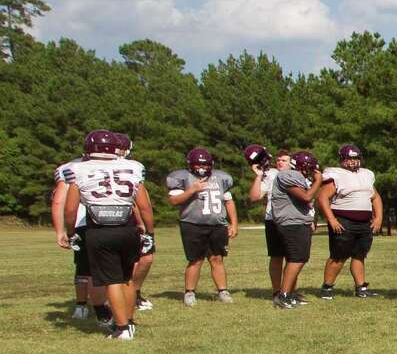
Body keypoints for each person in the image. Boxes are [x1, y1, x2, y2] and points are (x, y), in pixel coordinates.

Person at [62, 130, 155, 340]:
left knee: (111, 280)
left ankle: (122, 328)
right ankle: (129, 321)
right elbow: (145, 206)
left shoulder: (77, 169)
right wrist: (149, 232)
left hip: (99, 230)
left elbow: (70, 209)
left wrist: (70, 232)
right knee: (127, 278)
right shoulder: (133, 167)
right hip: (128, 228)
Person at [165, 148, 238, 306]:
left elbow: (228, 202)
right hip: (193, 224)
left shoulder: (221, 178)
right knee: (196, 260)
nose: (201, 167)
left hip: (217, 224)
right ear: (190, 164)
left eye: (204, 164)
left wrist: (233, 223)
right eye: (198, 164)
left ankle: (223, 291)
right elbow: (174, 201)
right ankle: (189, 292)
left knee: (217, 259)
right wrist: (192, 189)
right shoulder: (183, 177)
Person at [51, 137, 108, 323]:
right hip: (114, 222)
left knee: (85, 267)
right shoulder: (121, 166)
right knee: (112, 268)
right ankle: (109, 308)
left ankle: (82, 306)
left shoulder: (70, 168)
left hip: (81, 223)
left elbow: (59, 201)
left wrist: (61, 231)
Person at [316, 144, 383, 299]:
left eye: (356, 158)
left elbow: (375, 197)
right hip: (343, 220)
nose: (353, 161)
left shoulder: (366, 174)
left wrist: (379, 217)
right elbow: (322, 197)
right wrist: (331, 219)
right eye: (350, 158)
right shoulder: (336, 175)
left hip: (364, 222)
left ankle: (361, 288)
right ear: (342, 159)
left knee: (359, 255)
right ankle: (327, 288)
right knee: (339, 256)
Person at [247, 145, 307, 303]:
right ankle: (276, 292)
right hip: (273, 220)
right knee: (276, 257)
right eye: (278, 160)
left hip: (293, 220)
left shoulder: (297, 175)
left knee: (293, 258)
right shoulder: (271, 175)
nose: (280, 162)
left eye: (284, 160)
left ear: (292, 162)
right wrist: (258, 176)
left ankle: (290, 292)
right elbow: (254, 197)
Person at [270, 151, 322, 308]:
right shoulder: (288, 175)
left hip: (297, 221)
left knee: (297, 258)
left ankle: (289, 293)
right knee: (297, 259)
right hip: (291, 222)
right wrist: (318, 181)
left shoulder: (296, 176)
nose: (311, 171)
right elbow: (306, 197)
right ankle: (283, 295)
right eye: (309, 167)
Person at [113, 133, 155, 312]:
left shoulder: (135, 167)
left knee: (145, 258)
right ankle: (115, 300)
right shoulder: (96, 166)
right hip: (118, 218)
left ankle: (134, 293)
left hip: (130, 219)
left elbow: (140, 197)